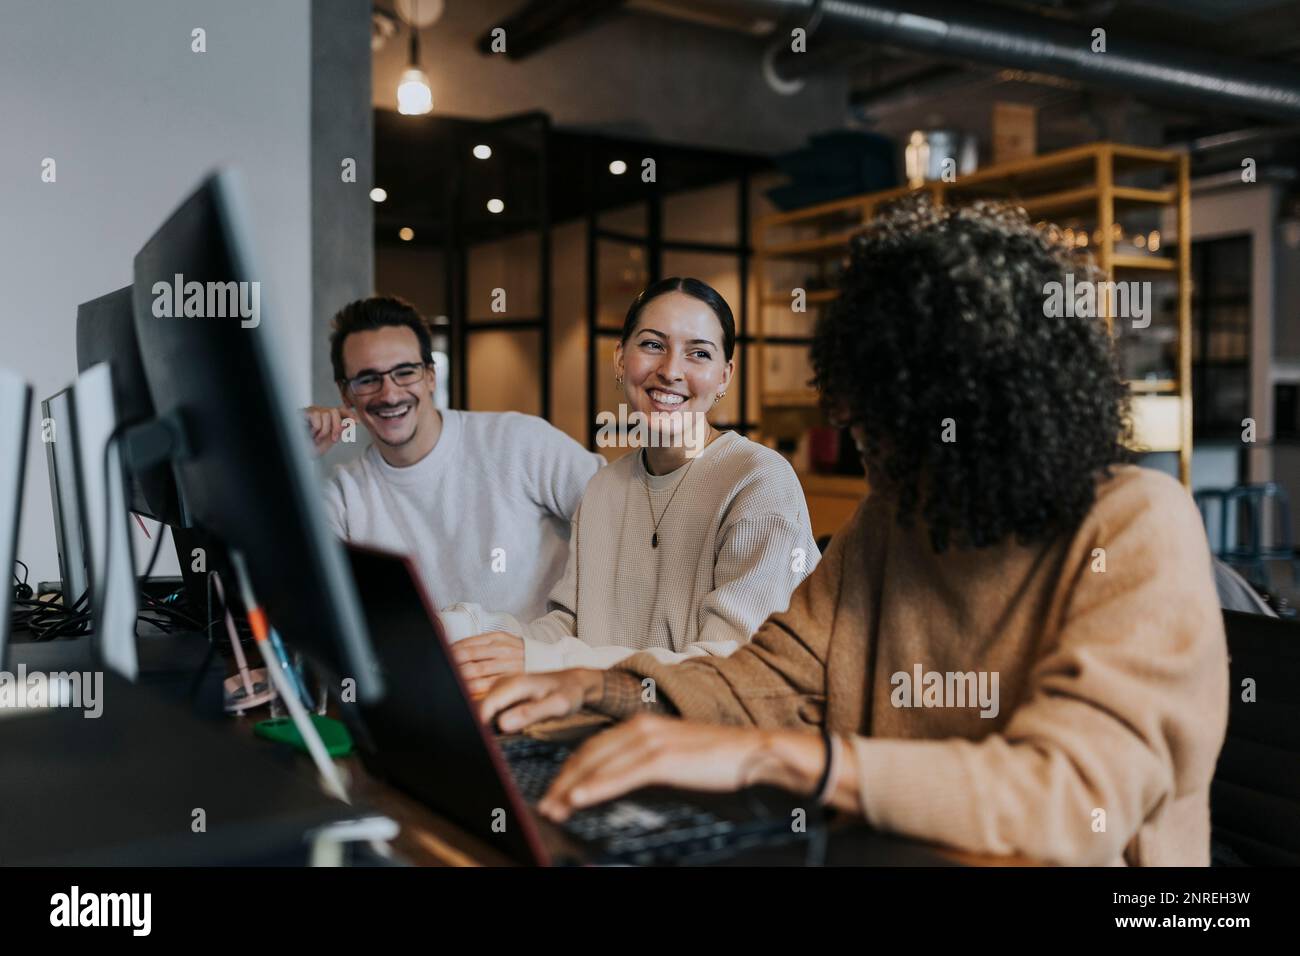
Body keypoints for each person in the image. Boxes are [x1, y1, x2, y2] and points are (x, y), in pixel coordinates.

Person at [479, 202, 1230, 867]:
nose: (863, 440)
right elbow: (771, 677)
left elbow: (1071, 795)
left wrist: (781, 759)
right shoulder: (896, 516)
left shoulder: (1137, 523)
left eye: (891, 421)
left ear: (990, 407)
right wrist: (602, 686)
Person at [452, 278, 819, 695]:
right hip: (603, 722)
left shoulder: (757, 480)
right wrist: (473, 632)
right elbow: (570, 627)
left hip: (709, 747)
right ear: (620, 359)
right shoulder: (604, 487)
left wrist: (544, 662)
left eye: (698, 353)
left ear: (724, 377)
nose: (671, 371)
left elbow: (726, 671)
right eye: (652, 345)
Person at [305, 296, 603, 621]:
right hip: (427, 670)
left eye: (405, 372)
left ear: (430, 375)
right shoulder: (343, 498)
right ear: (346, 393)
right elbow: (296, 588)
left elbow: (624, 513)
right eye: (367, 379)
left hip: (545, 663)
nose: (389, 394)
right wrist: (295, 457)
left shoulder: (519, 441)